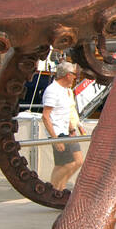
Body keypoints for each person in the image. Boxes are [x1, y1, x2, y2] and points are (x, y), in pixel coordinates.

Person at [42, 61, 84, 192]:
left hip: (67, 131)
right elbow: (45, 116)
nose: (75, 77)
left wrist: (72, 128)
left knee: (78, 161)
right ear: (67, 75)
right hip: (58, 132)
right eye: (74, 75)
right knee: (66, 163)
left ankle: (61, 187)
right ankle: (52, 190)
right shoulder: (52, 90)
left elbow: (68, 111)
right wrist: (55, 139)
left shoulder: (66, 91)